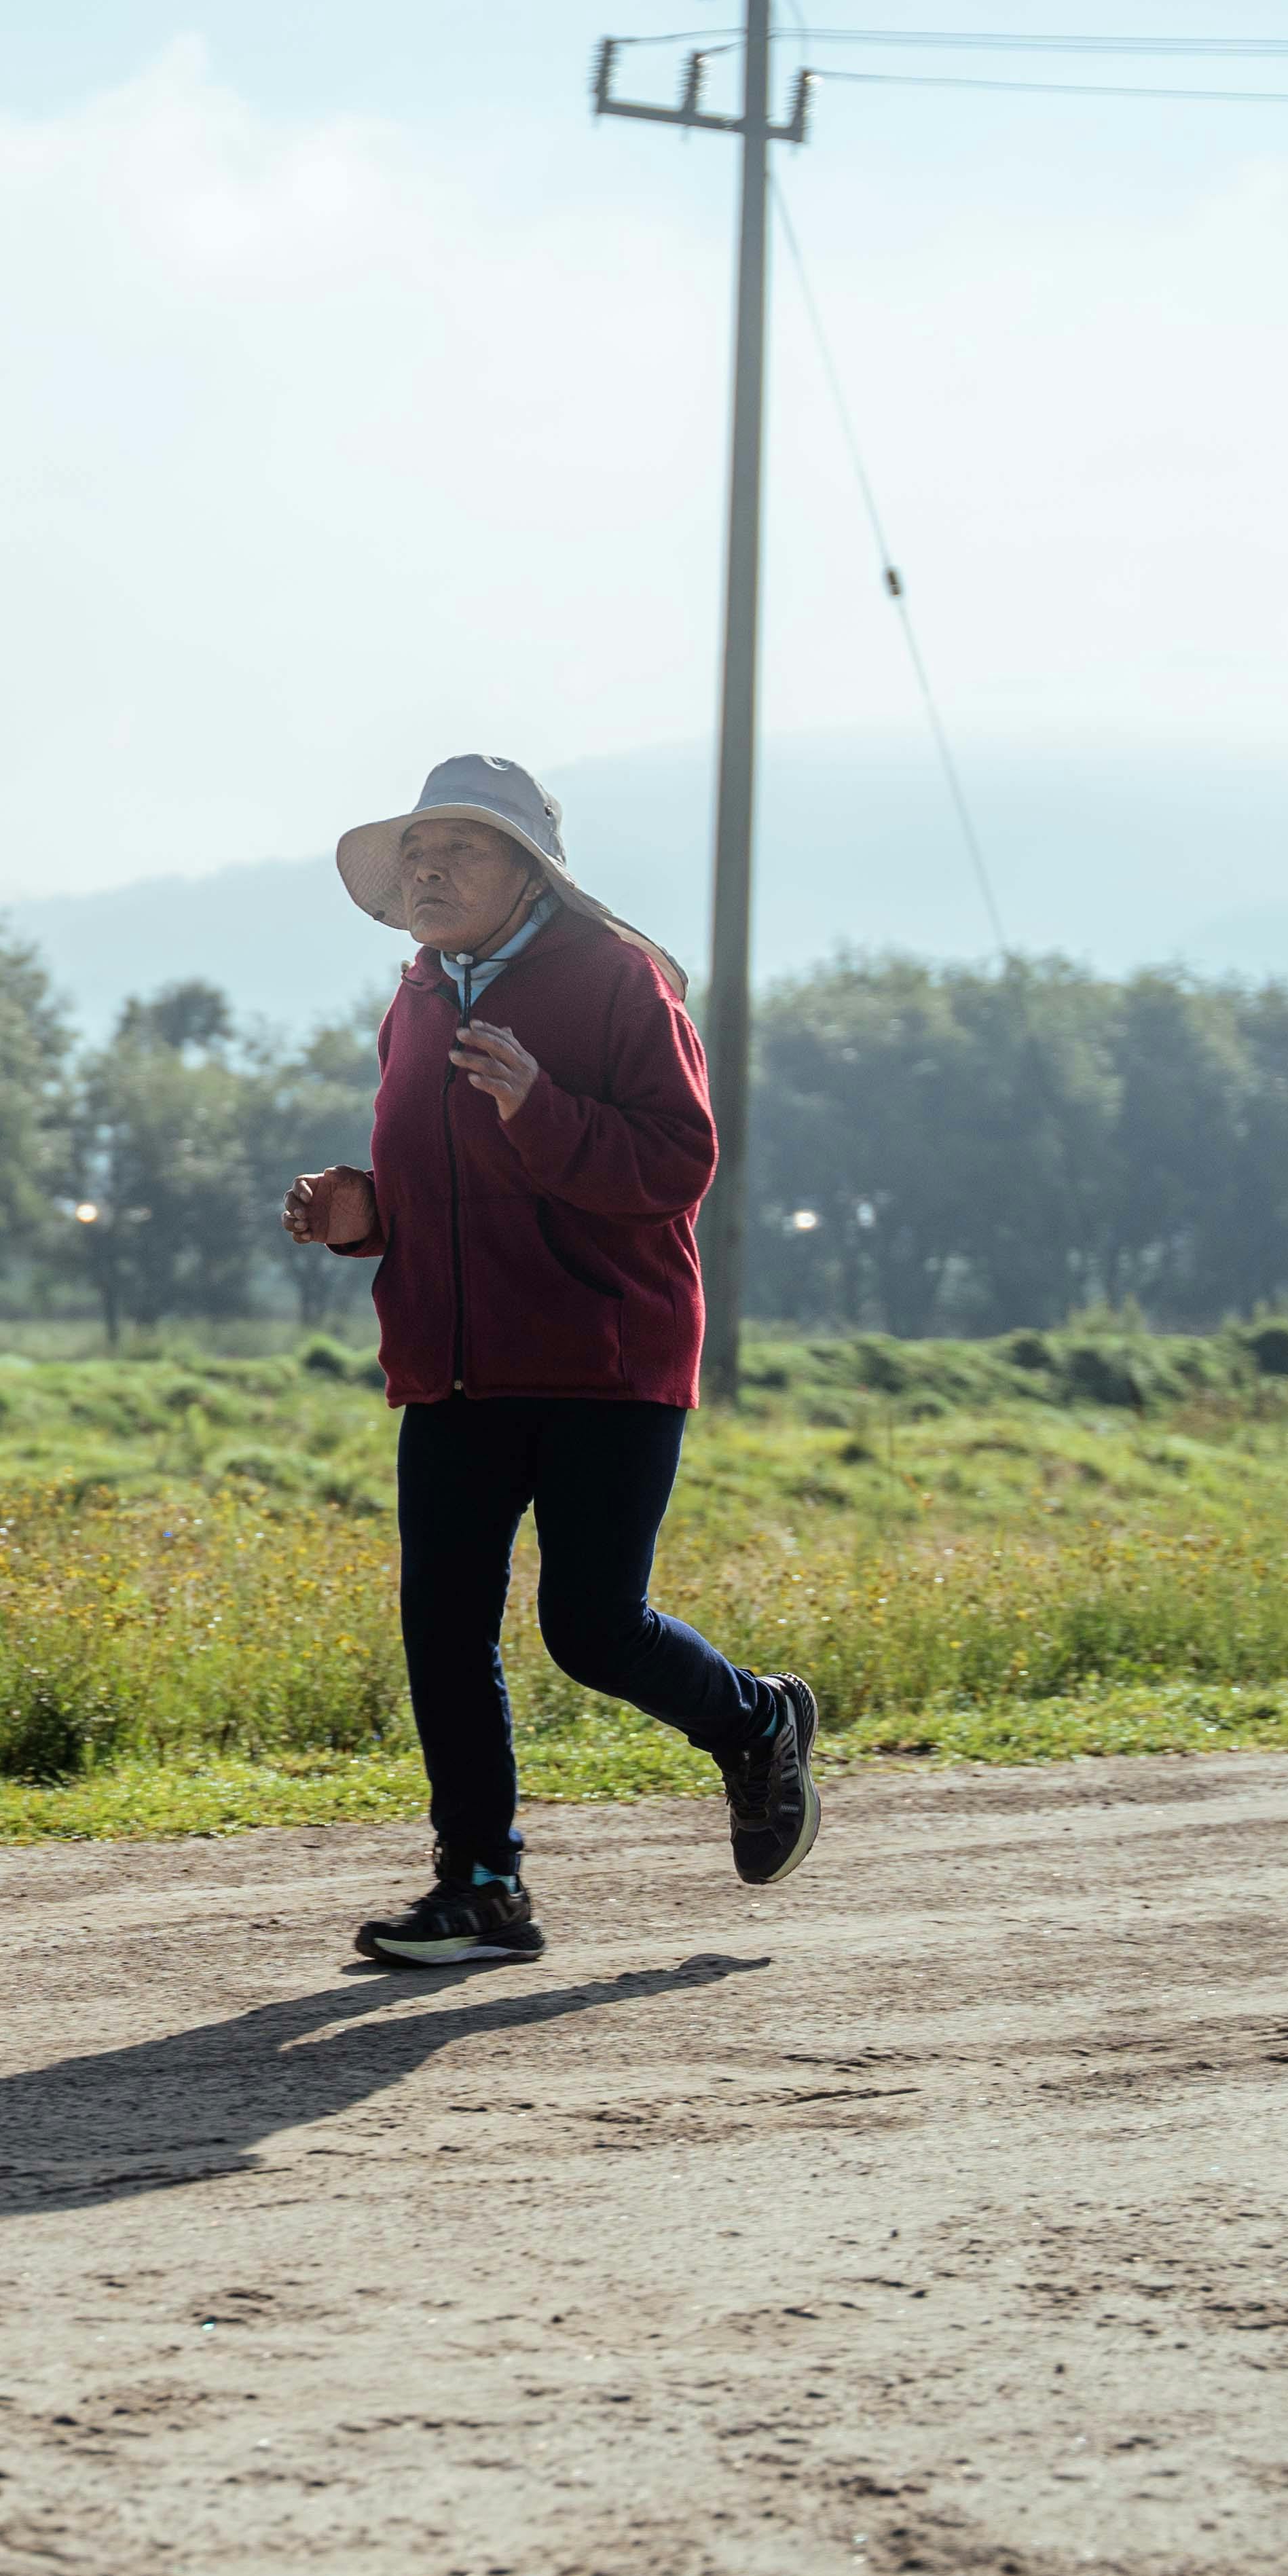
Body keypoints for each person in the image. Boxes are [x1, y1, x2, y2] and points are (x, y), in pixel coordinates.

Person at [278, 752, 820, 1967]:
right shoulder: (416, 1001)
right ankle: (480, 1886)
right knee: (444, 1623)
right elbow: (439, 1192)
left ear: (530, 872)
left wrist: (543, 1108)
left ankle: (756, 1723)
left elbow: (679, 1164)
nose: (426, 869)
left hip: (604, 1357)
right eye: (416, 851)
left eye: (458, 849)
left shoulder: (622, 983)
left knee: (591, 1626)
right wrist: (359, 1213)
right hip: (456, 1365)